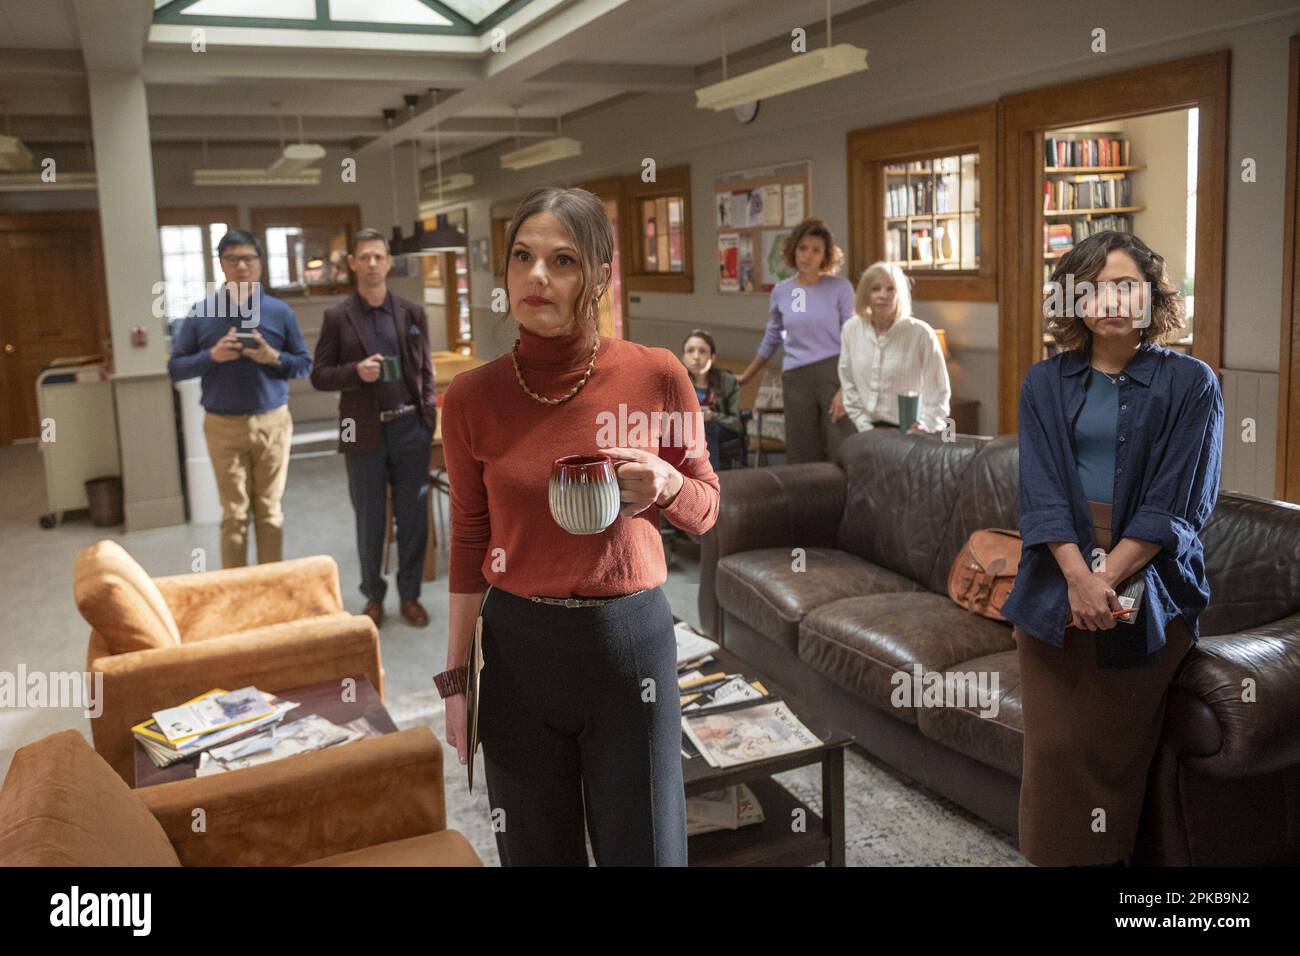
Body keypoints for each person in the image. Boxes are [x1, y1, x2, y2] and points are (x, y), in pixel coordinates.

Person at [434, 186, 720, 866]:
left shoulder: (658, 376)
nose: (537, 276)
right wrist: (456, 683)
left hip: (628, 646)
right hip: (517, 649)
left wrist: (667, 485)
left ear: (598, 275)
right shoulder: (472, 398)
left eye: (562, 260)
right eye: (523, 257)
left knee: (646, 851)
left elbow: (708, 508)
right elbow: (472, 540)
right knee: (534, 852)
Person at [999, 230, 1223, 867]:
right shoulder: (1044, 381)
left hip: (1150, 586)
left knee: (1106, 757)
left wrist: (1106, 577)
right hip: (1053, 585)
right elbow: (1040, 492)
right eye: (1092, 287)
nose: (1110, 300)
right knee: (1051, 754)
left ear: (1151, 295)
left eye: (1125, 284)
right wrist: (1078, 576)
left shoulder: (1191, 384)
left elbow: (1177, 503)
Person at [310, 228, 438, 629]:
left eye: (378, 257)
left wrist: (427, 418)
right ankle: (373, 595)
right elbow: (319, 375)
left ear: (388, 262)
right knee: (369, 519)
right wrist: (355, 372)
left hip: (409, 427)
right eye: (363, 257)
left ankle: (411, 595)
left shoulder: (411, 312)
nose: (371, 264)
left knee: (413, 518)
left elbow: (425, 370)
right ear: (352, 263)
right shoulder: (337, 317)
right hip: (359, 429)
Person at [167, 228, 311, 568]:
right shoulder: (201, 312)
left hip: (272, 421)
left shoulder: (280, 312)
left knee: (270, 511)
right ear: (222, 265)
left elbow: (304, 365)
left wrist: (271, 358)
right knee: (234, 514)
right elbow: (175, 367)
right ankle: (235, 590)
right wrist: (211, 356)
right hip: (222, 425)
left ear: (259, 264)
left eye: (248, 258)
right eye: (233, 260)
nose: (241, 266)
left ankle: (269, 585)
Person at [735, 219, 856, 463]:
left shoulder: (840, 288)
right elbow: (772, 337)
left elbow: (854, 339)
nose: (808, 256)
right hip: (796, 377)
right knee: (802, 452)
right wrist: (746, 376)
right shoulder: (782, 290)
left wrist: (846, 387)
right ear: (793, 250)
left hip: (834, 373)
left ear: (826, 255)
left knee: (841, 446)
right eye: (803, 248)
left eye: (816, 250)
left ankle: (845, 501)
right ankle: (807, 502)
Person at [838, 261, 951, 433]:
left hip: (908, 432)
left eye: (890, 289)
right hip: (861, 429)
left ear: (900, 294)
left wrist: (926, 424)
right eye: (875, 288)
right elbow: (847, 381)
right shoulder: (851, 329)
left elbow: (938, 390)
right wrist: (863, 424)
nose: (883, 295)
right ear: (865, 294)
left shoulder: (921, 333)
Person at [682, 329, 741, 471]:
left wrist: (712, 416)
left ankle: (711, 480)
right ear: (683, 357)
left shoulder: (727, 381)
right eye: (690, 351)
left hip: (717, 428)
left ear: (712, 357)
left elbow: (736, 423)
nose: (696, 357)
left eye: (702, 351)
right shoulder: (677, 381)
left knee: (706, 427)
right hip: (686, 429)